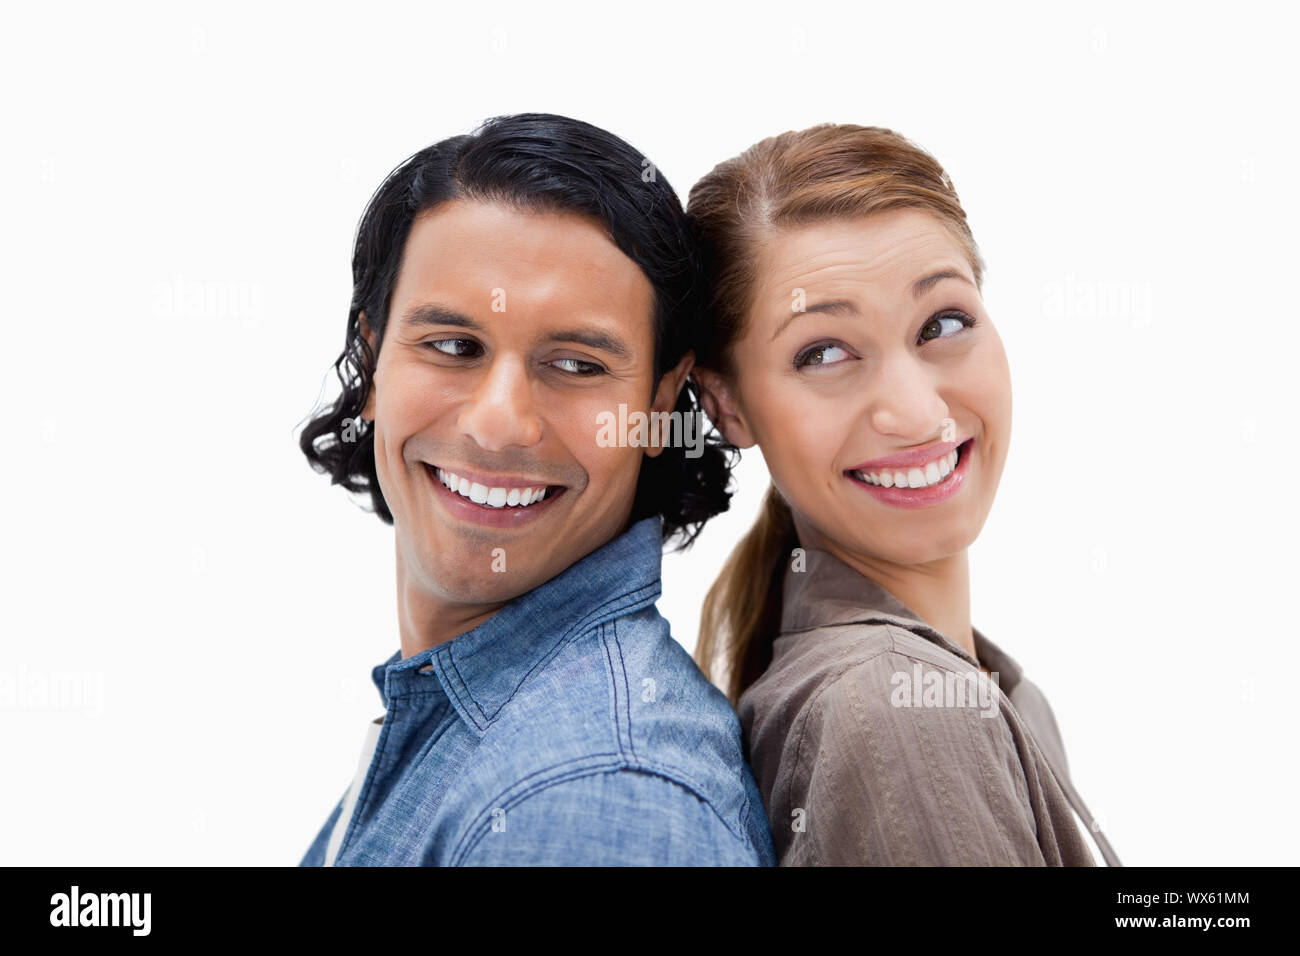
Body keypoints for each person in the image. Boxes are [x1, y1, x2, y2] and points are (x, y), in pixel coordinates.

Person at [295, 113, 775, 866]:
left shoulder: (594, 802)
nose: (500, 425)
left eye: (578, 364)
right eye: (453, 347)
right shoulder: (467, 719)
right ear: (372, 363)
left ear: (660, 402)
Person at [687, 123, 1121, 866]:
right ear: (728, 407)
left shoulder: (985, 694)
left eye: (943, 323)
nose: (918, 413)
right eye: (823, 352)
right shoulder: (898, 708)